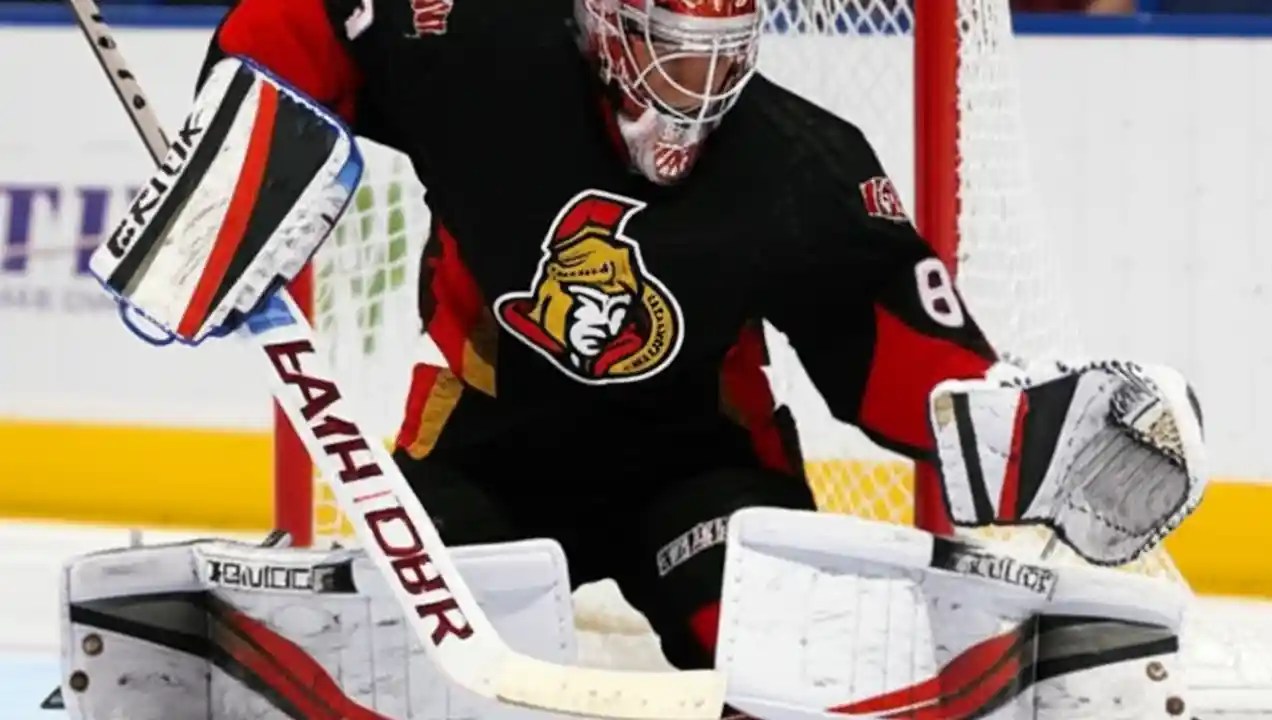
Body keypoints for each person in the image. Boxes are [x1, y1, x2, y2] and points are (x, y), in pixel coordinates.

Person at [198, 0, 1031, 674]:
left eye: (720, 56)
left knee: (789, 653)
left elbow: (897, 342)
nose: (699, 90)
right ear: (605, 24)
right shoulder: (477, 54)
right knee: (414, 665)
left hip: (698, 464)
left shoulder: (797, 162)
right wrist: (221, 168)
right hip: (484, 453)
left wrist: (1017, 435)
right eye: (675, 52)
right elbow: (307, 21)